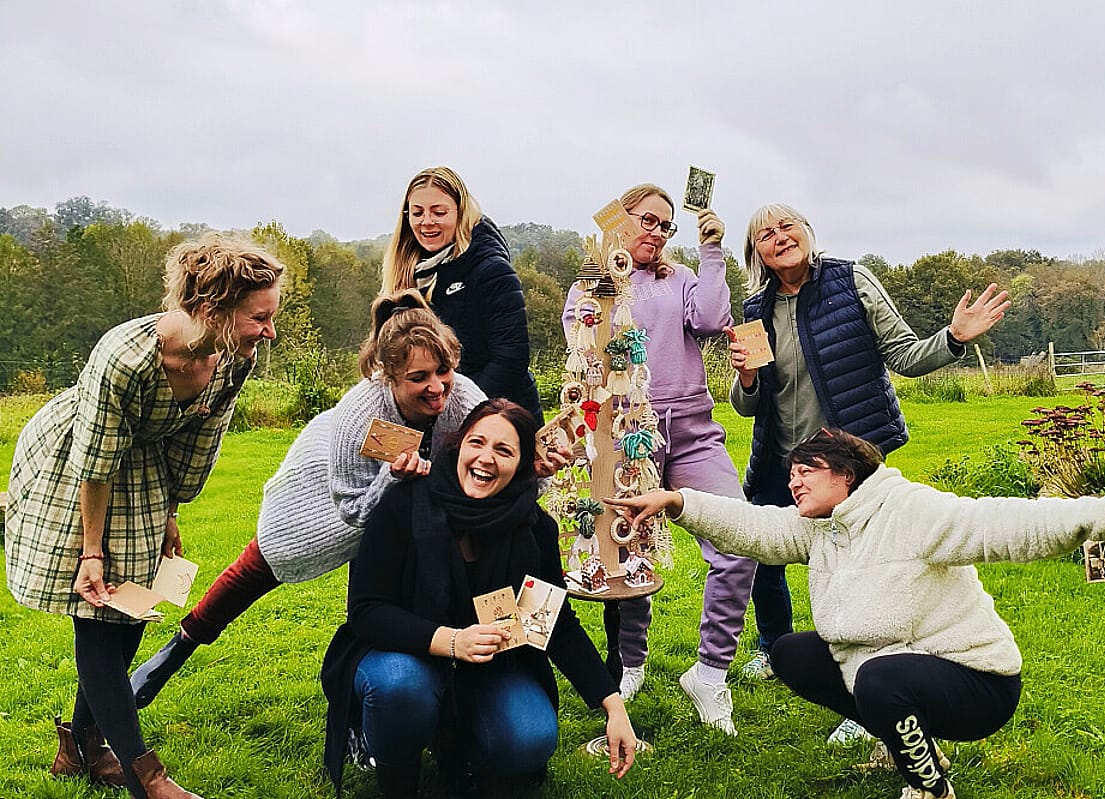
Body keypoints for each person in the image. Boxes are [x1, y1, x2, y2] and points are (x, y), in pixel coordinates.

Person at [606, 428, 1105, 799]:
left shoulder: (910, 512)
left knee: (880, 679)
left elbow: (999, 523)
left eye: (807, 469)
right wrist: (677, 501)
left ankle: (929, 787)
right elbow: (758, 527)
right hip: (898, 672)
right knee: (789, 653)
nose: (793, 480)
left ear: (845, 475)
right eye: (791, 472)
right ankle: (900, 736)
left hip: (975, 682)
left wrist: (1104, 518)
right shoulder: (823, 528)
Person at [4, 234, 284, 799]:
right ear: (211, 311)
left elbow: (198, 444)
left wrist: (170, 513)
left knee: (133, 612)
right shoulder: (124, 358)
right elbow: (97, 460)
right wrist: (91, 551)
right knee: (99, 615)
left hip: (147, 470)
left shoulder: (233, 355)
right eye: (259, 317)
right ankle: (145, 778)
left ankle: (79, 749)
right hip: (79, 466)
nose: (269, 330)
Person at [728, 204, 1010, 743]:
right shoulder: (755, 306)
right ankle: (774, 647)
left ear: (808, 233)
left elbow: (903, 354)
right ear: (756, 253)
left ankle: (870, 692)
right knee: (765, 553)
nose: (779, 236)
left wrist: (953, 337)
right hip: (781, 460)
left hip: (847, 463)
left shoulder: (851, 281)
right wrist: (745, 379)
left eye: (788, 225)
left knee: (860, 576)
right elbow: (747, 405)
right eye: (766, 233)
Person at [129, 291, 488, 707]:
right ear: (388, 376)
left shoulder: (462, 396)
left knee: (396, 583)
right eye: (418, 378)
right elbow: (353, 509)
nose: (436, 387)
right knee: (261, 562)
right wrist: (391, 478)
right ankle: (179, 647)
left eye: (443, 371)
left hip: (423, 501)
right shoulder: (361, 411)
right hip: (331, 487)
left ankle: (418, 687)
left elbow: (498, 455)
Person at [321, 399, 637, 797]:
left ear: (523, 464)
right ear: (459, 445)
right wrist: (453, 641)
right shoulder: (405, 503)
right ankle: (395, 767)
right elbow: (367, 611)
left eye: (504, 451)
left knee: (530, 736)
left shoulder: (533, 528)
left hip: (487, 669)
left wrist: (612, 703)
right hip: (403, 654)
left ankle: (456, 741)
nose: (485, 459)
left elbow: (553, 622)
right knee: (401, 687)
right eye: (477, 443)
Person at [562, 184, 755, 735]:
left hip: (693, 431)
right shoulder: (591, 282)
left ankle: (711, 672)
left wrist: (711, 249)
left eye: (666, 226)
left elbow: (716, 318)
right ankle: (630, 663)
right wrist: (605, 283)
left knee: (737, 538)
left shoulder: (681, 279)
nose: (656, 233)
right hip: (626, 433)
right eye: (648, 221)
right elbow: (581, 340)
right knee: (628, 549)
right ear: (620, 221)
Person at [381, 165, 542, 422]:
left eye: (439, 212)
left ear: (461, 212)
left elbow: (510, 359)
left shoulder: (491, 270)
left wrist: (455, 406)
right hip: (432, 415)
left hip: (498, 418)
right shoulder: (404, 272)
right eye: (417, 212)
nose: (427, 222)